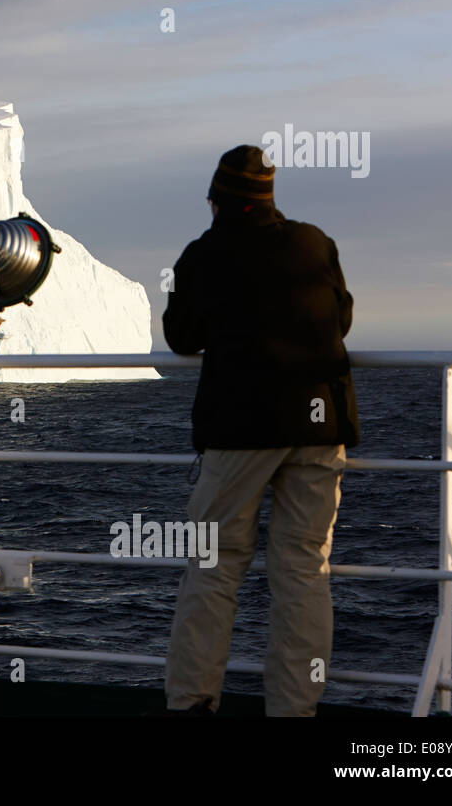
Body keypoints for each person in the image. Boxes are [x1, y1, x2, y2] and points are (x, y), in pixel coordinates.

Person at [161, 144, 359, 717]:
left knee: (214, 565)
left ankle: (193, 703)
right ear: (270, 196)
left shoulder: (203, 253)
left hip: (240, 428)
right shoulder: (313, 242)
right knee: (303, 568)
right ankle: (295, 709)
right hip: (320, 423)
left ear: (217, 202)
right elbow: (340, 318)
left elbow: (181, 336)